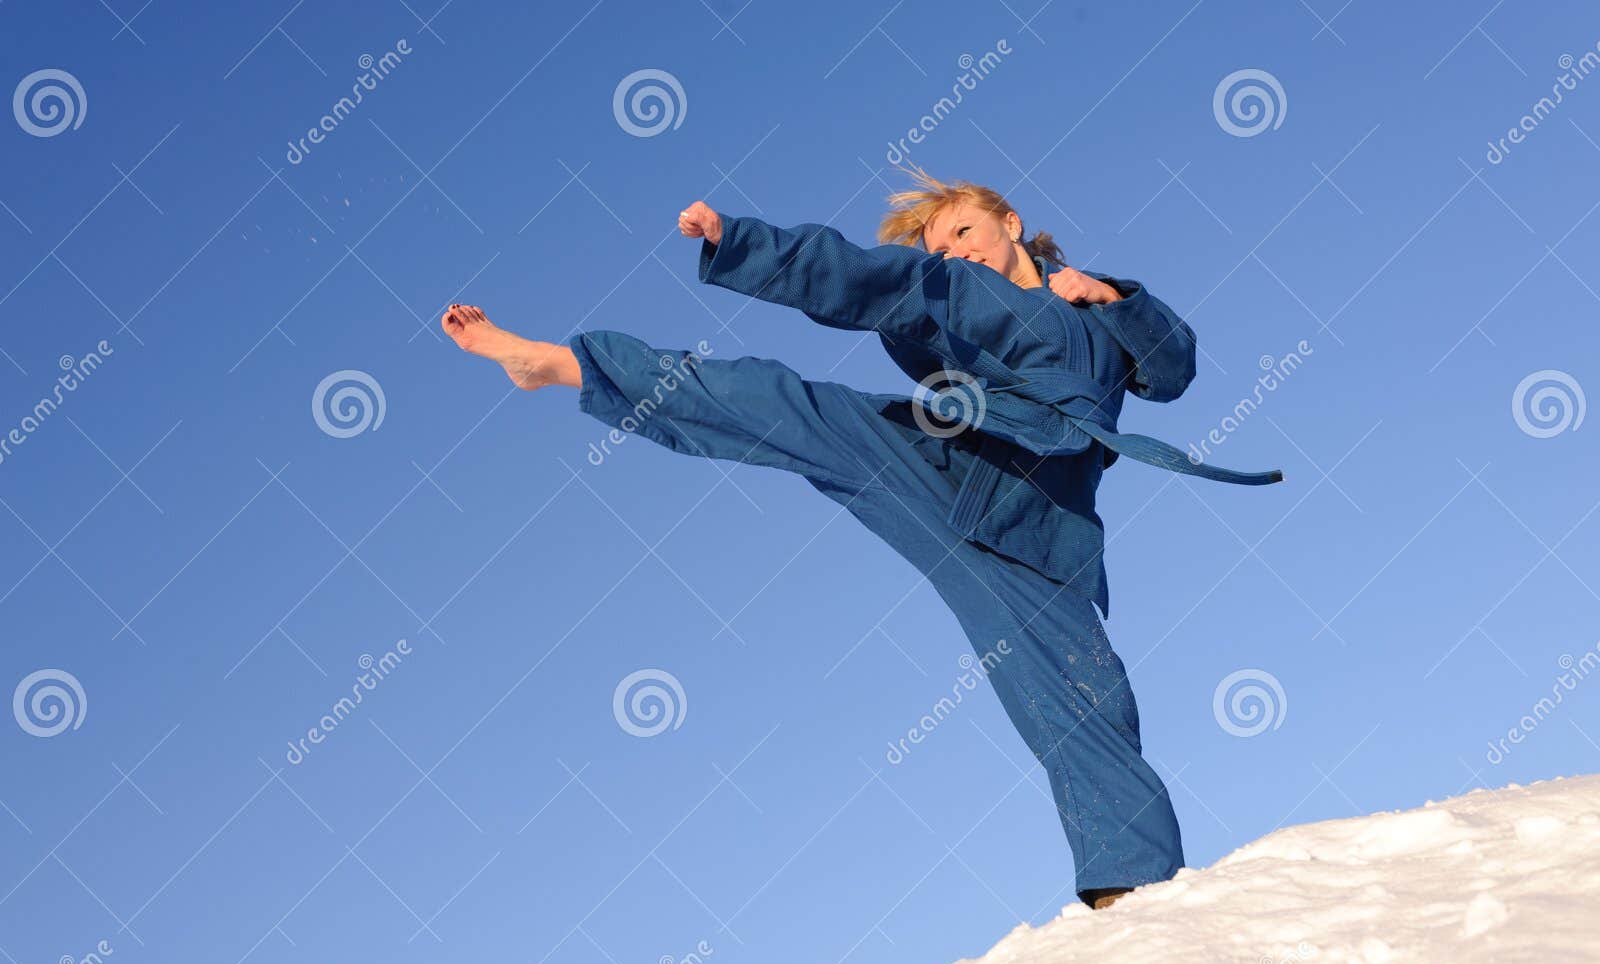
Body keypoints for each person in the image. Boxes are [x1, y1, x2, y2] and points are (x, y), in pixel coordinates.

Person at [440, 172, 1282, 910]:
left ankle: (1135, 892)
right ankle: (564, 365)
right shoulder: (956, 294)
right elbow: (877, 284)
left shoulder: (1087, 306)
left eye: (963, 230)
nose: (951, 249)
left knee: (1081, 696)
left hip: (1037, 522)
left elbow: (1172, 371)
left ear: (1010, 222)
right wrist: (745, 244)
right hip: (943, 463)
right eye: (937, 242)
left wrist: (1115, 299)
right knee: (782, 405)